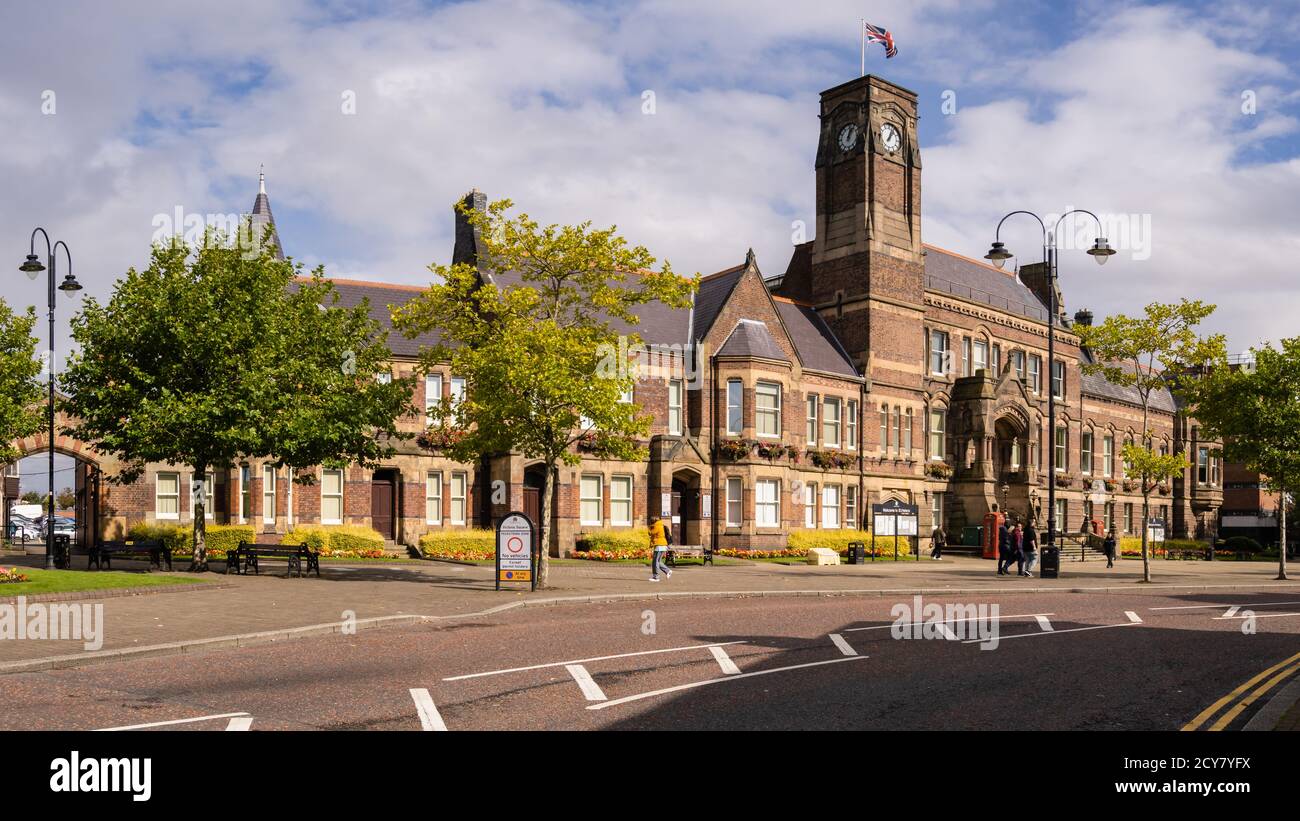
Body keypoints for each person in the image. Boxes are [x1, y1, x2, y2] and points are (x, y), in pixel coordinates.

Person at [648, 516, 672, 582]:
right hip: (662, 545)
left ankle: (656, 577)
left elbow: (651, 533)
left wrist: (649, 527)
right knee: (658, 561)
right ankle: (668, 571)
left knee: (655, 562)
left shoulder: (657, 526)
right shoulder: (660, 525)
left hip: (659, 545)